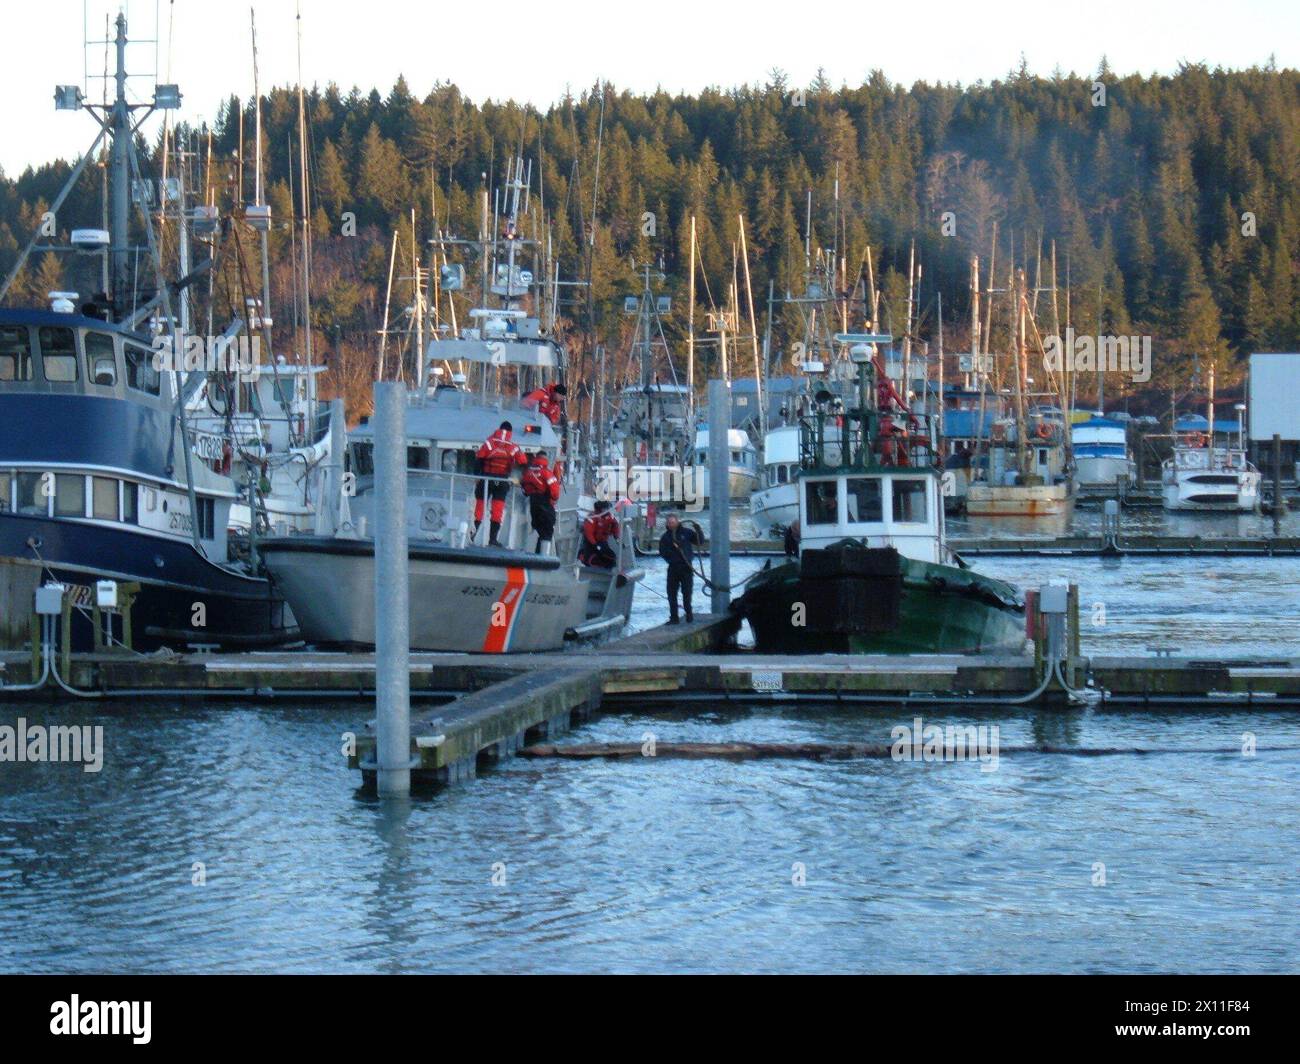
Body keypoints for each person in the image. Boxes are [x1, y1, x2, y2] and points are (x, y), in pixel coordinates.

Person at [473, 420, 527, 546]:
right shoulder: (514, 447)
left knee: (480, 507)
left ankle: (474, 534)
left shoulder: (489, 442)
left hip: (486, 478)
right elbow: (523, 462)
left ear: (499, 429)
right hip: (502, 480)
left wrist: (477, 476)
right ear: (510, 432)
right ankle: (492, 539)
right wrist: (517, 477)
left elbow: (479, 459)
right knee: (497, 510)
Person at [658, 512, 701, 624]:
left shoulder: (686, 533)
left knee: (687, 593)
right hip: (673, 569)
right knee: (671, 594)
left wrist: (698, 530)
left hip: (686, 568)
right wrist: (674, 559)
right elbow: (663, 552)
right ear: (667, 524)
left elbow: (699, 541)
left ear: (677, 522)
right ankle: (674, 617)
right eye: (669, 523)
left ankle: (689, 614)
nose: (671, 524)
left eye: (673, 522)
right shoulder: (665, 537)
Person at [521, 452, 561, 553]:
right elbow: (555, 492)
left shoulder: (528, 472)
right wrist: (554, 498)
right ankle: (543, 556)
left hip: (533, 502)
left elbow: (525, 489)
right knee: (547, 529)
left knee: (538, 528)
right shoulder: (546, 472)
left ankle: (535, 552)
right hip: (544, 502)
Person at [578, 500, 620, 568]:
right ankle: (582, 556)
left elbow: (615, 525)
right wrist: (595, 544)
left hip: (602, 542)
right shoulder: (592, 517)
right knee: (591, 560)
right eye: (606, 508)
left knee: (611, 557)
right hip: (591, 544)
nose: (607, 510)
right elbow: (588, 533)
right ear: (601, 508)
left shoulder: (609, 516)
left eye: (608, 508)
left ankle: (608, 568)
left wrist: (616, 537)